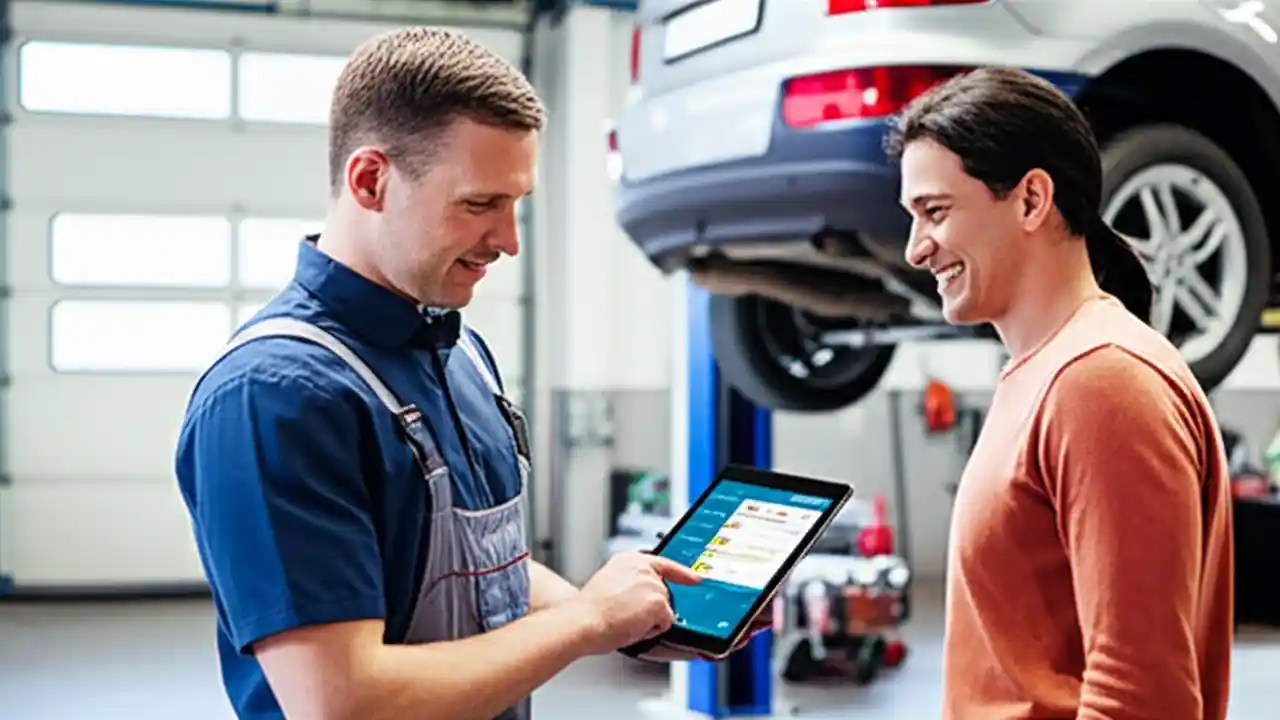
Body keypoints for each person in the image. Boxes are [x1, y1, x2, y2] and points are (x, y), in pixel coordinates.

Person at [174, 27, 761, 720]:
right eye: (480, 204)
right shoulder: (273, 398)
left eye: (517, 205)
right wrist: (587, 624)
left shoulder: (460, 354)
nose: (509, 241)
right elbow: (343, 702)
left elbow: (489, 570)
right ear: (370, 181)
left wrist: (631, 618)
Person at [884, 67, 1234, 719]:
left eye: (935, 211)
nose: (915, 249)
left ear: (1030, 200)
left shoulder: (1101, 383)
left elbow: (1142, 699)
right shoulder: (1049, 372)